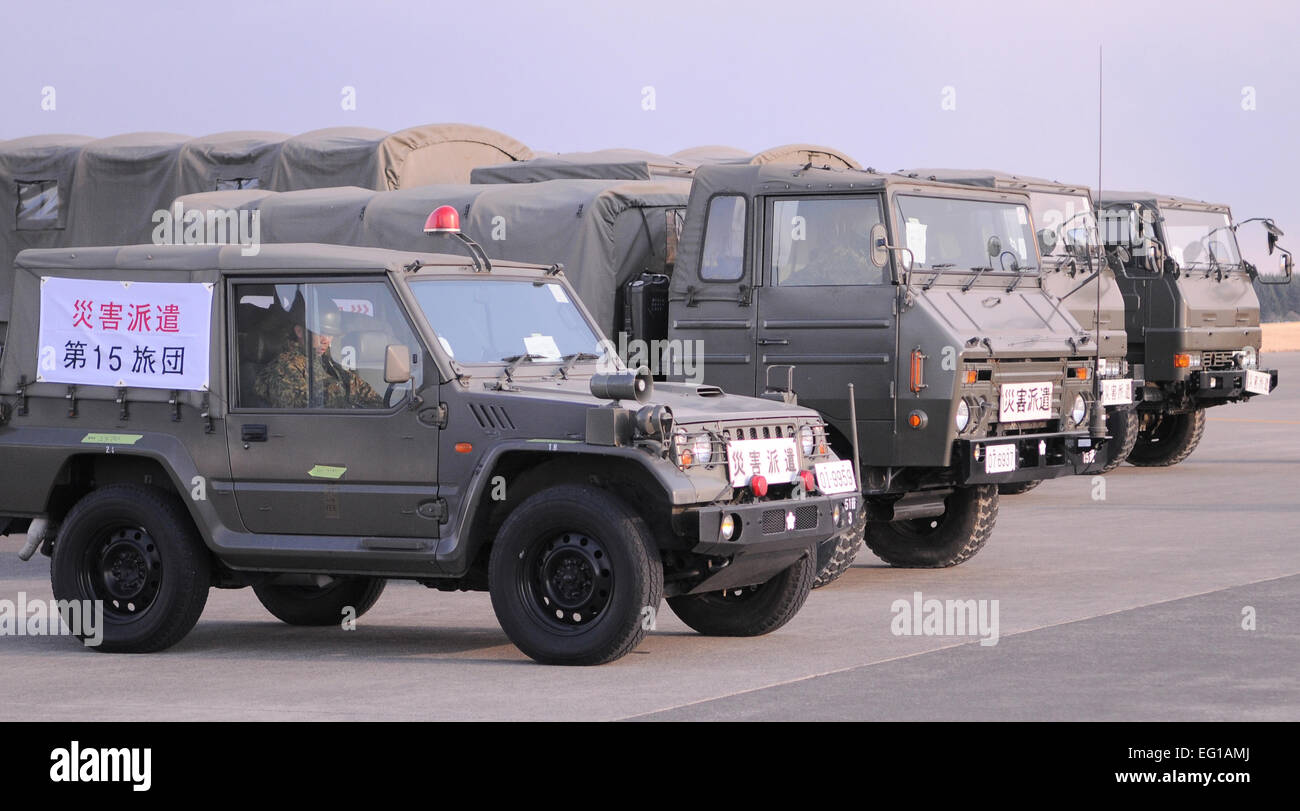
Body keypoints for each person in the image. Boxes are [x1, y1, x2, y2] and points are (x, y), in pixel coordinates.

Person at [255, 300, 383, 409]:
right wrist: (342, 394)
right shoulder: (285, 366)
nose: (326, 340)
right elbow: (300, 407)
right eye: (321, 333)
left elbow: (364, 392)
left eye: (330, 334)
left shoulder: (328, 363)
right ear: (299, 332)